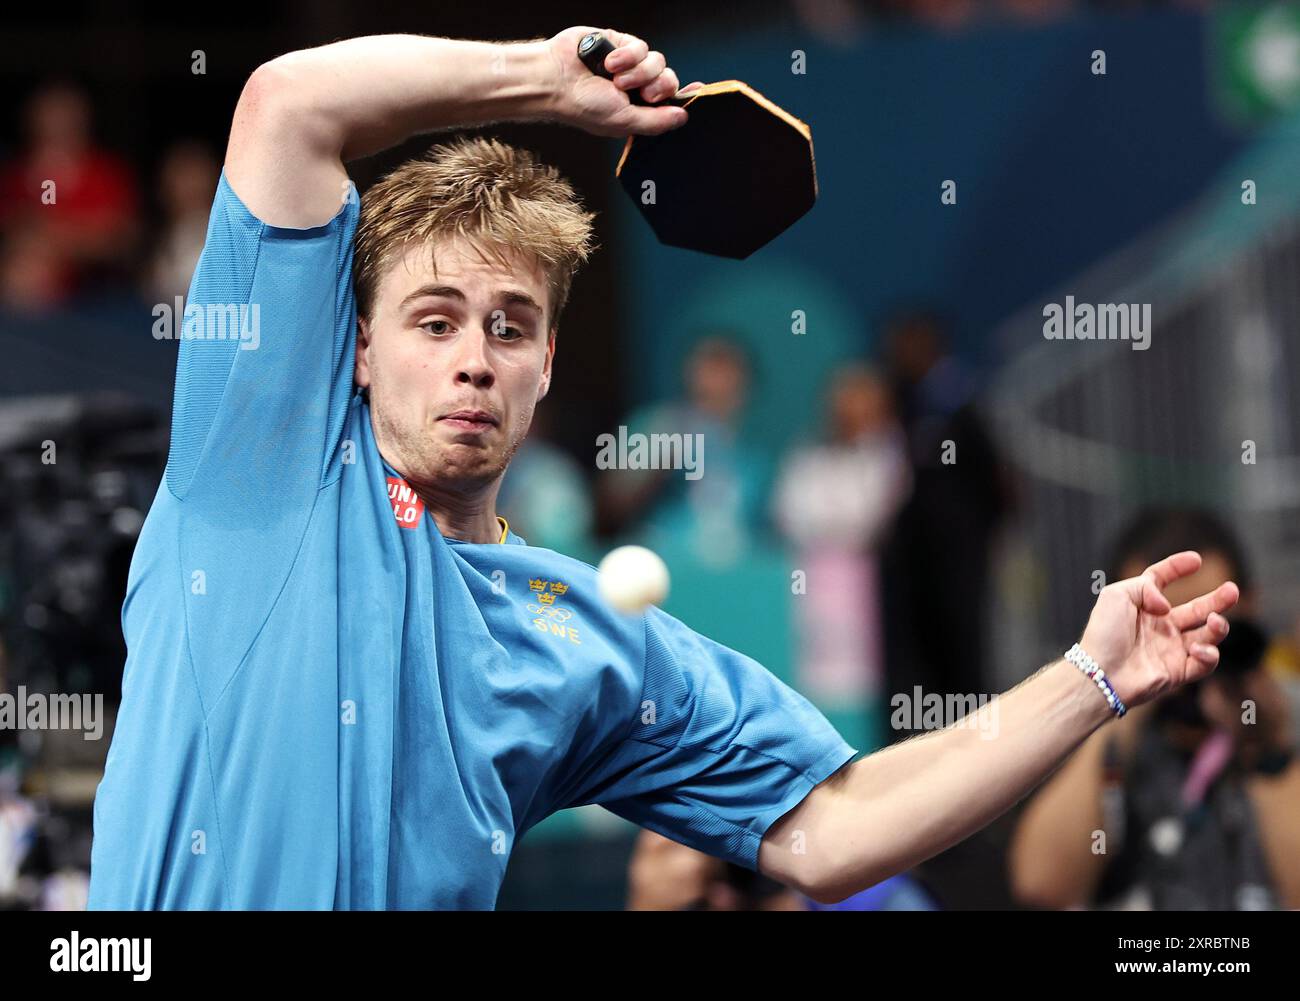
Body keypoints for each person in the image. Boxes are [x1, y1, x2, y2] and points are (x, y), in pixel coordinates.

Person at [88, 27, 1238, 910]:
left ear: (545, 361)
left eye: (506, 327)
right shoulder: (260, 459)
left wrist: (1089, 675)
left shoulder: (578, 636)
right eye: (433, 322)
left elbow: (830, 826)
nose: (472, 361)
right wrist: (544, 83)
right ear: (354, 350)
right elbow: (286, 105)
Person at [1009, 509, 1300, 910]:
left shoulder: (1281, 717)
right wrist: (1120, 691)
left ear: (1249, 605)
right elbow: (1042, 885)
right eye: (1165, 624)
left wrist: (1268, 753)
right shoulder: (1095, 735)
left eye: (1211, 623)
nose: (1189, 654)